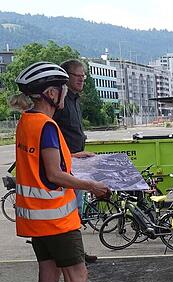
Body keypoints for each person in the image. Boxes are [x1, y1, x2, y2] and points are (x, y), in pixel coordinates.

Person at [10, 61, 124, 282]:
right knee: (78, 278)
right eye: (61, 89)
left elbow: (42, 162)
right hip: (57, 218)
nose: (65, 94)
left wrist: (73, 156)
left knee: (48, 278)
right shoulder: (48, 126)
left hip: (35, 220)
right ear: (51, 93)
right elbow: (54, 174)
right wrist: (92, 185)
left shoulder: (27, 122)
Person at [52, 59, 98, 263]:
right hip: (63, 167)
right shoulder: (59, 104)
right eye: (77, 75)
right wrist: (70, 155)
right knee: (68, 212)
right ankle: (70, 254)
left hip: (76, 164)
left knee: (77, 211)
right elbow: (50, 139)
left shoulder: (75, 100)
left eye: (84, 76)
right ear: (65, 77)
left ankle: (76, 251)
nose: (82, 79)